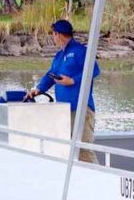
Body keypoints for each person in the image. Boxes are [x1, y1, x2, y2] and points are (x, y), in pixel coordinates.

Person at [26, 19, 100, 164]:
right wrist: (38, 89)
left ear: (58, 34)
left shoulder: (81, 51)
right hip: (64, 111)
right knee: (67, 150)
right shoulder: (59, 56)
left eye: (53, 35)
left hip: (81, 109)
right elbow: (51, 75)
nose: (53, 38)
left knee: (84, 150)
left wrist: (72, 81)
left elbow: (94, 70)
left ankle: (99, 180)